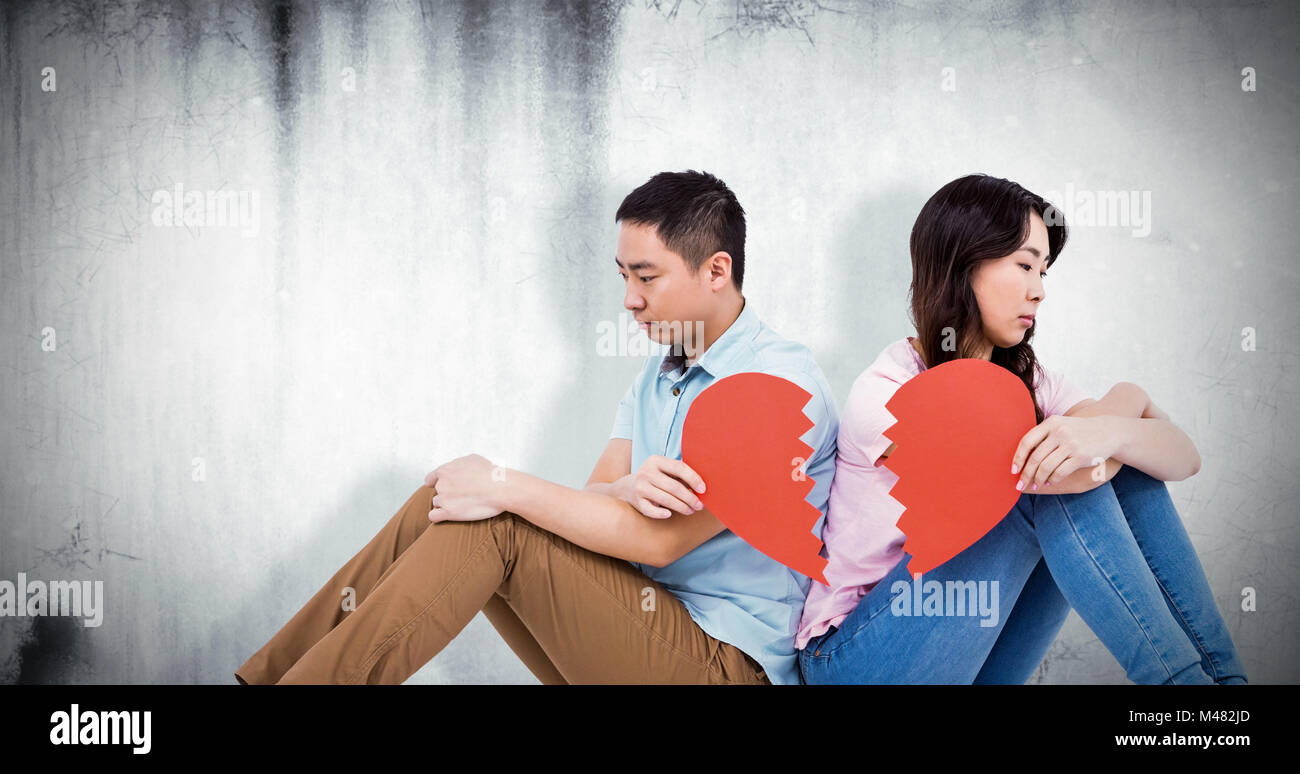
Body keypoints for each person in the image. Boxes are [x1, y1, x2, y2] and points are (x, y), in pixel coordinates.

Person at [234, 170, 838, 685]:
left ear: (716, 271)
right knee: (445, 499)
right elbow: (592, 502)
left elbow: (660, 542)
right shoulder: (656, 379)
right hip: (638, 625)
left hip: (724, 664)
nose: (628, 299)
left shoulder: (779, 385)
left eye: (646, 277)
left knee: (492, 523)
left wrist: (505, 484)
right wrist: (618, 492)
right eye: (622, 275)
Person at [796, 173, 1247, 684]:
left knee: (1112, 463)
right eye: (1025, 265)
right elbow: (1035, 475)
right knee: (1042, 477)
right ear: (964, 264)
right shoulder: (891, 391)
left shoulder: (1034, 385)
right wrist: (1125, 407)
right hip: (853, 659)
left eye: (1045, 271)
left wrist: (1116, 427)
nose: (1039, 291)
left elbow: (1184, 458)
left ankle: (1225, 690)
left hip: (967, 660)